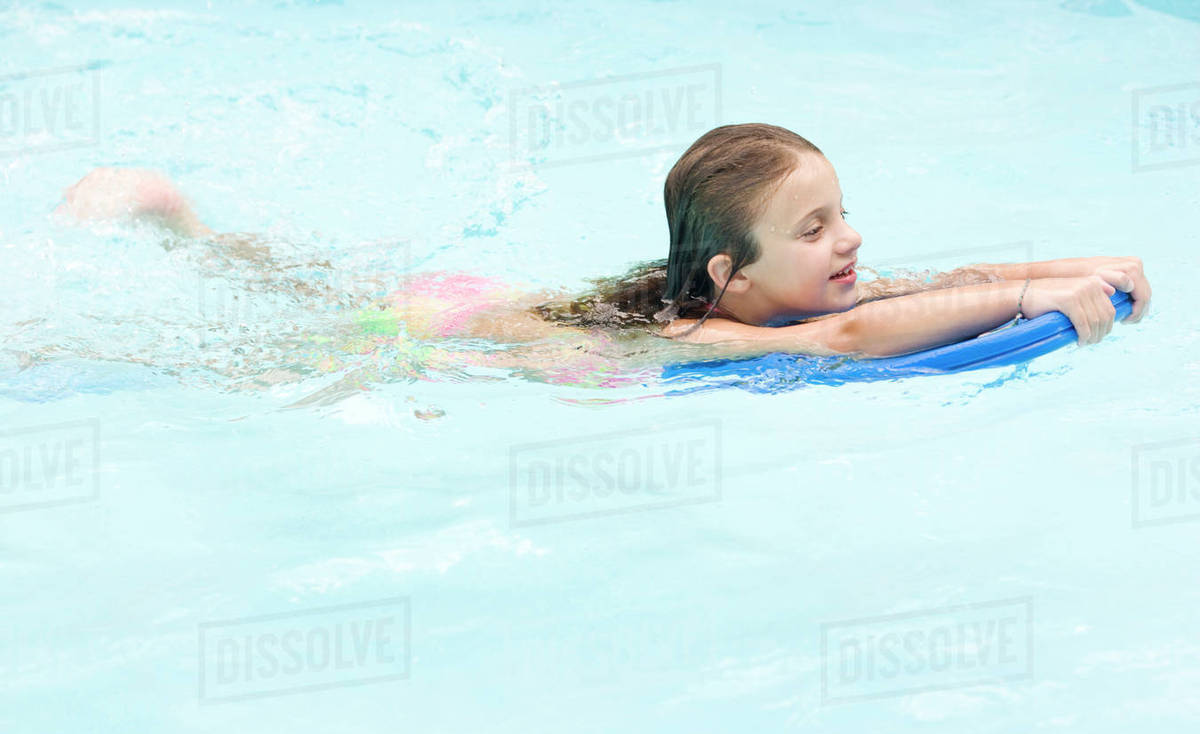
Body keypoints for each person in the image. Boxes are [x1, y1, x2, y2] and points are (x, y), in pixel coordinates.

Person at [55, 123, 1151, 386]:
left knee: (307, 287)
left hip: (486, 303)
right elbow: (859, 336)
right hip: (440, 331)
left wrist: (1073, 271)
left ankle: (185, 225)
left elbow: (929, 287)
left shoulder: (748, 287)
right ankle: (158, 244)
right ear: (732, 270)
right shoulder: (703, 325)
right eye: (816, 230)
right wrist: (1040, 295)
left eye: (842, 212)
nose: (850, 240)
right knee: (246, 353)